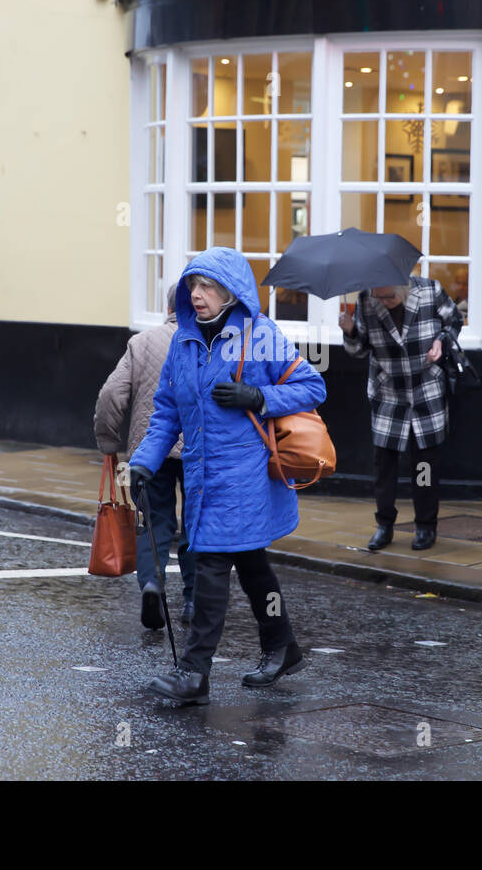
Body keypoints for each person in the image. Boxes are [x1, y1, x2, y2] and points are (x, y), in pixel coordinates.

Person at [130, 247, 326, 706]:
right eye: (192, 287)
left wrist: (257, 397)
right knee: (253, 566)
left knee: (211, 566)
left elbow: (312, 386)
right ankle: (283, 648)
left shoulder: (260, 335)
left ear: (231, 292)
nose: (197, 296)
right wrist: (144, 461)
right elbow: (165, 414)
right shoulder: (182, 341)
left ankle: (194, 675)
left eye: (208, 287)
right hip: (201, 476)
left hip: (245, 476)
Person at [93, 285, 195, 628]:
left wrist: (109, 442)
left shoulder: (141, 343)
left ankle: (153, 584)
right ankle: (193, 600)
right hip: (196, 448)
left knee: (155, 522)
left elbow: (110, 395)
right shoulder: (205, 343)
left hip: (149, 449)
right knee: (196, 522)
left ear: (167, 307)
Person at [339, 275, 462, 552]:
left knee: (424, 466)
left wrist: (442, 341)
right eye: (378, 297)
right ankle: (384, 526)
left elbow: (454, 320)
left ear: (404, 287)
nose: (383, 302)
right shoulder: (365, 298)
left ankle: (426, 527)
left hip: (425, 387)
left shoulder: (430, 290)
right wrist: (350, 332)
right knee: (384, 466)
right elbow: (360, 350)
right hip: (388, 391)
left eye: (389, 297)